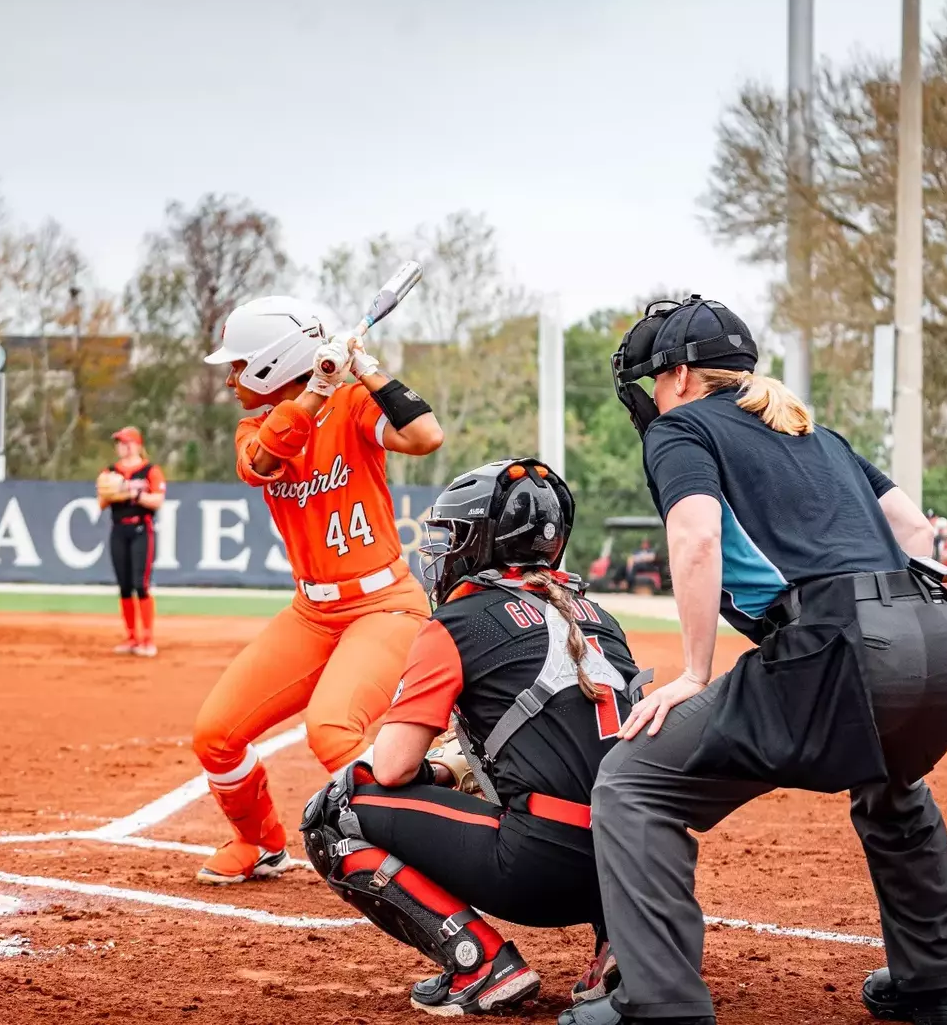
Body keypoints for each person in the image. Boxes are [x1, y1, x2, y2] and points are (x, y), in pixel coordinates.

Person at [599, 296, 947, 1025]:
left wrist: (696, 672)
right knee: (893, 782)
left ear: (676, 375)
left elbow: (696, 538)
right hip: (945, 640)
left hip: (843, 645)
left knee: (634, 784)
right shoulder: (812, 430)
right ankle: (937, 986)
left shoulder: (680, 428)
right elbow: (915, 527)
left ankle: (661, 1003)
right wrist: (892, 614)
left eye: (653, 380)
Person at [302, 459, 651, 1016]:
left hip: (540, 869)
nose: (442, 549)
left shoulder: (459, 622)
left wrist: (437, 772)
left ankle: (480, 963)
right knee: (588, 789)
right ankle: (620, 944)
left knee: (333, 812)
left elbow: (391, 768)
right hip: (635, 866)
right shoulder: (600, 617)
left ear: (483, 542)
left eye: (452, 535)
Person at [191, 295, 444, 884]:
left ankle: (428, 844)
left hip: (385, 605)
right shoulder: (255, 426)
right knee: (216, 736)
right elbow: (261, 462)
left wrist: (362, 369)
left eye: (239, 364)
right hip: (313, 611)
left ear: (272, 363)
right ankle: (259, 843)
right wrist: (313, 392)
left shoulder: (356, 403)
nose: (231, 378)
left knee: (330, 730)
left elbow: (426, 435)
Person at [96, 426, 167, 656]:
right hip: (119, 530)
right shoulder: (110, 471)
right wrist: (111, 492)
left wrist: (133, 493)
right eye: (119, 443)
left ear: (137, 445)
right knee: (124, 586)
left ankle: (147, 638)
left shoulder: (149, 470)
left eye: (127, 442)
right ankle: (131, 637)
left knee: (141, 584)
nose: (123, 447)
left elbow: (157, 500)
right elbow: (101, 503)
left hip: (141, 529)